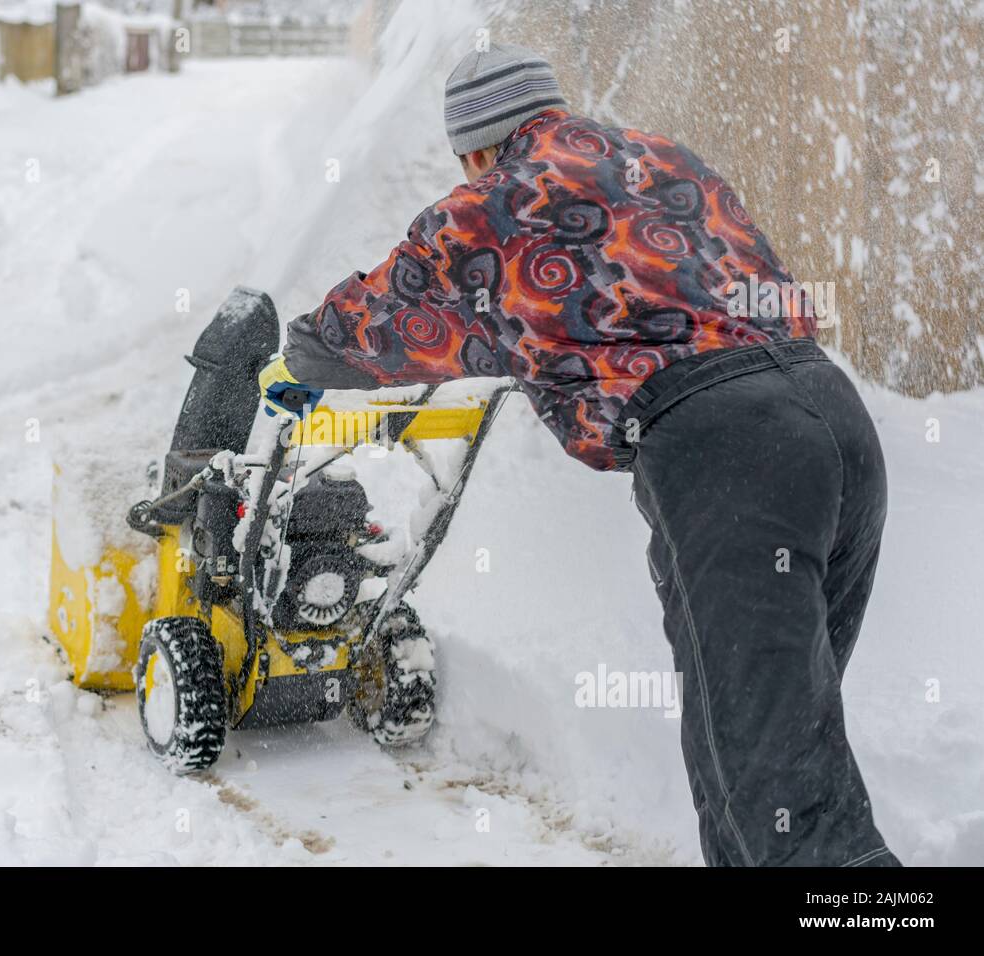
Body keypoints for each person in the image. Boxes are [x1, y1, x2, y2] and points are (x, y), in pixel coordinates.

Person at [257, 43, 897, 867]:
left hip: (728, 456)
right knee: (757, 749)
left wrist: (299, 360)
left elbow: (392, 314)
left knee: (787, 798)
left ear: (479, 146)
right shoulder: (664, 157)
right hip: (834, 419)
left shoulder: (491, 204)